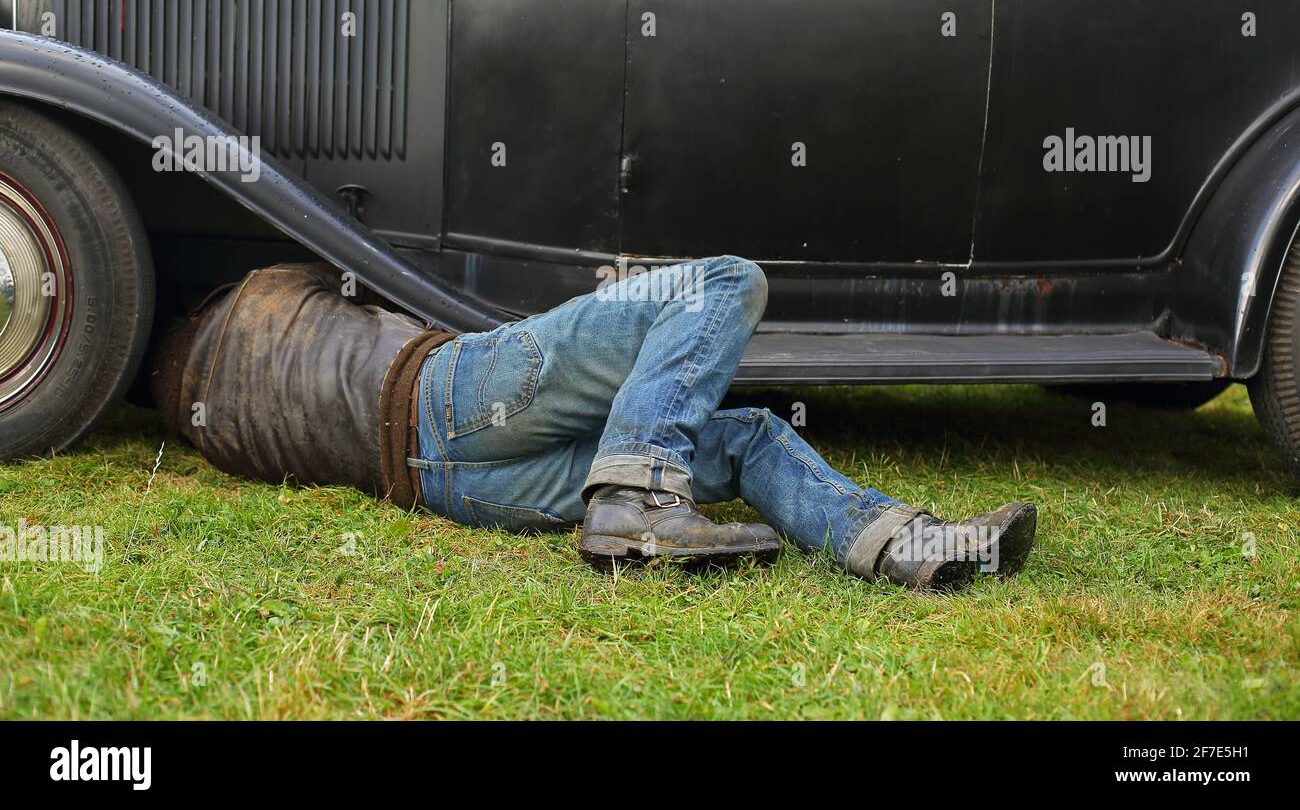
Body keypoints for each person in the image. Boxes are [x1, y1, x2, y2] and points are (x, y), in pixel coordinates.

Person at [149, 255, 1036, 591]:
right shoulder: (265, 290)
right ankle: (637, 496)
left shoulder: (201, 423)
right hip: (447, 390)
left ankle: (899, 545)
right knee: (720, 283)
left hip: (440, 488)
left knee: (747, 434)